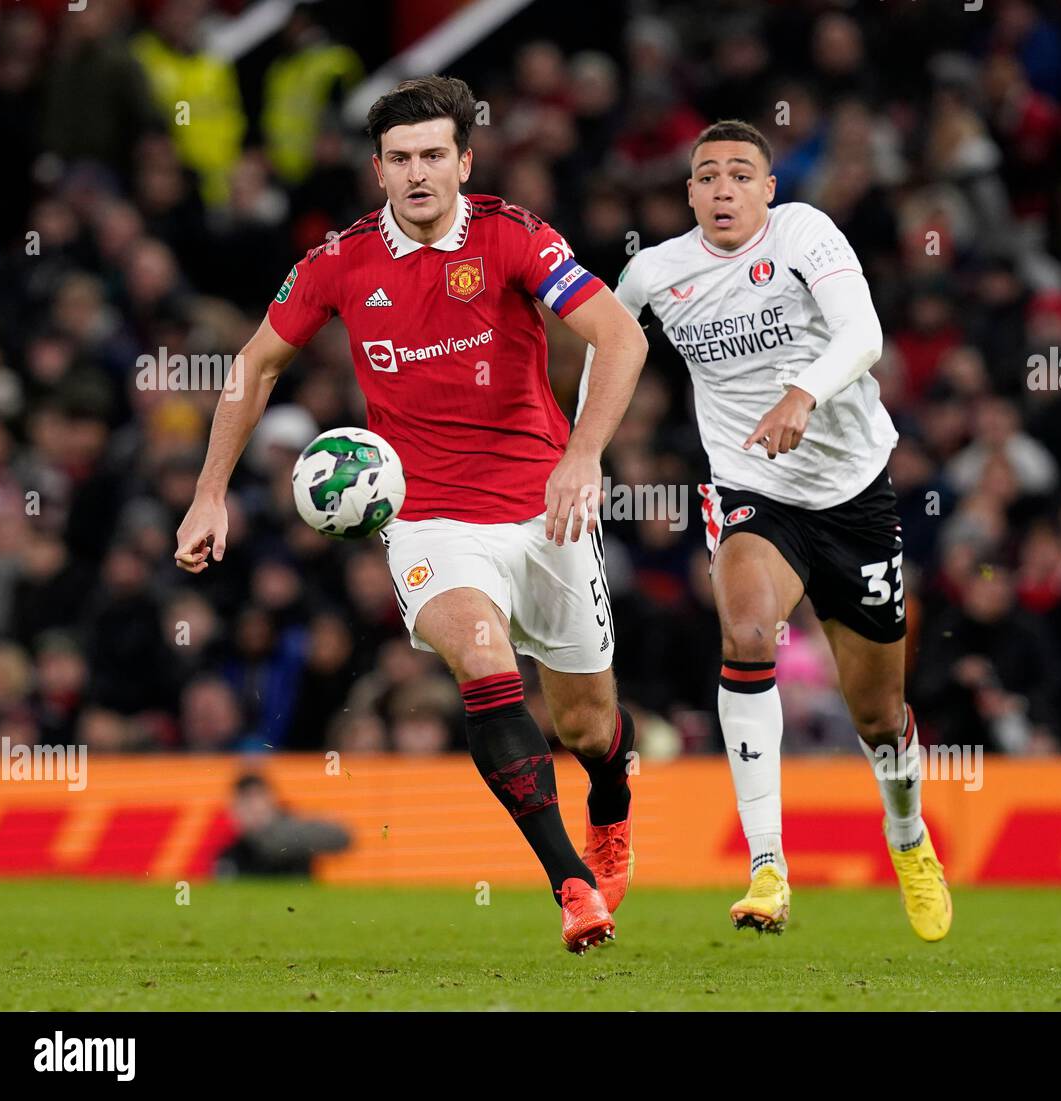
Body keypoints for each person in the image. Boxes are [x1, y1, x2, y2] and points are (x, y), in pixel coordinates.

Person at [175, 76, 648, 954]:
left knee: (588, 725)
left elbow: (621, 335)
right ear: (378, 170)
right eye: (401, 159)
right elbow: (254, 364)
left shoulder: (513, 235)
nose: (419, 173)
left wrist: (583, 454)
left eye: (435, 155)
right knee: (478, 656)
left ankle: (610, 809)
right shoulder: (340, 261)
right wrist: (209, 490)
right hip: (429, 518)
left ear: (464, 161)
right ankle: (571, 884)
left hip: (544, 508)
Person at [588, 119, 950, 940]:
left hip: (855, 494)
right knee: (748, 631)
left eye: (741, 175)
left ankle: (908, 836)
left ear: (768, 188)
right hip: (753, 488)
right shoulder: (655, 271)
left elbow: (864, 333)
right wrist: (579, 452)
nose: (723, 189)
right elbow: (606, 346)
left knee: (878, 714)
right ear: (687, 194)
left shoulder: (805, 234)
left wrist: (805, 393)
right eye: (707, 176)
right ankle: (766, 866)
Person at [214, 773, 351, 877]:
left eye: (258, 800)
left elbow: (342, 837)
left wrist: (269, 831)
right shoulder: (232, 850)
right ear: (235, 809)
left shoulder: (294, 828)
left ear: (271, 800)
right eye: (247, 804)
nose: (255, 809)